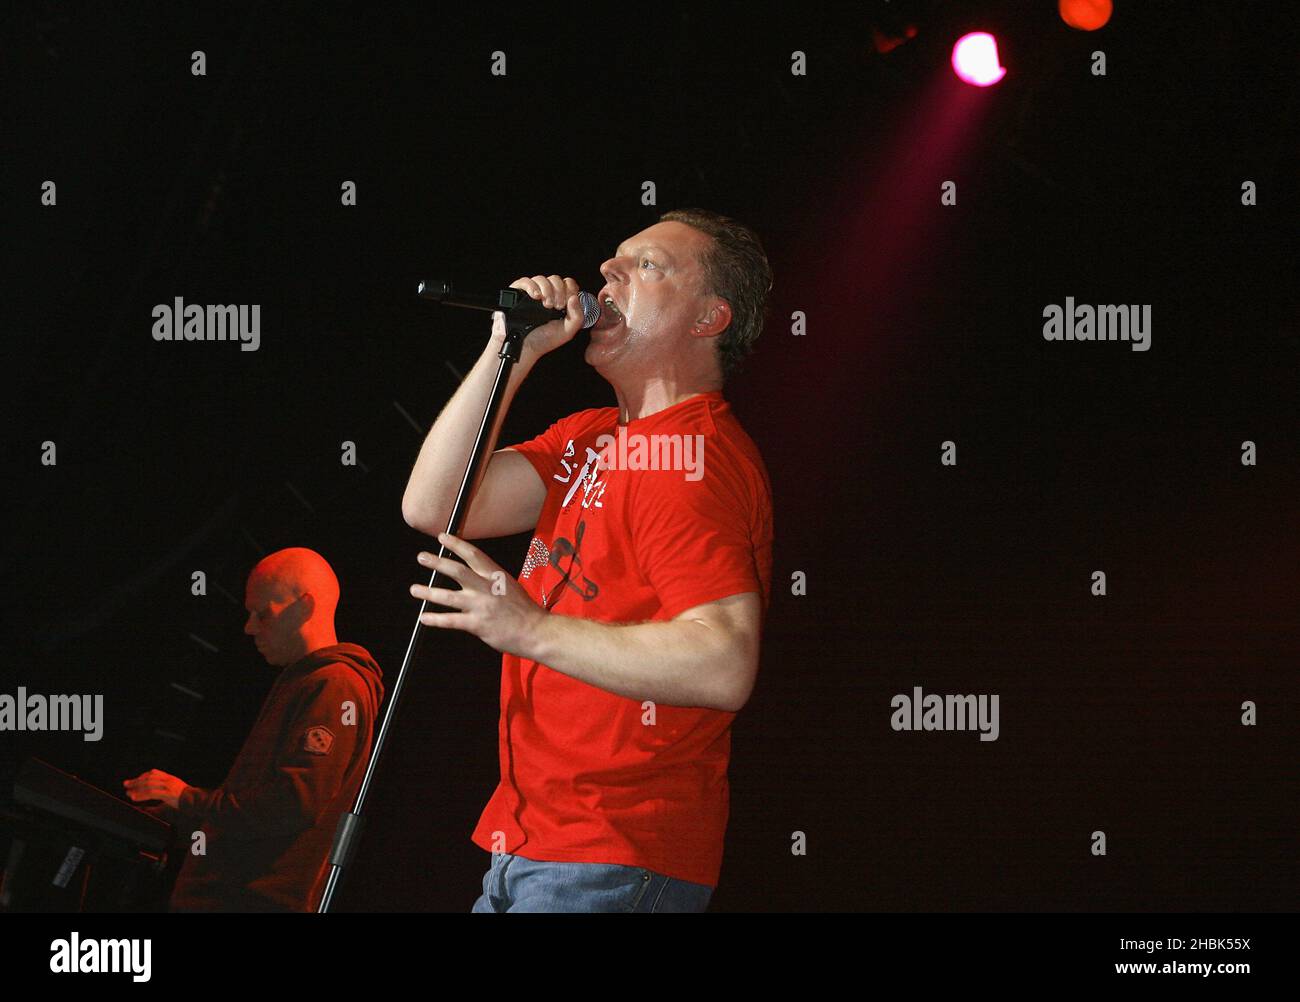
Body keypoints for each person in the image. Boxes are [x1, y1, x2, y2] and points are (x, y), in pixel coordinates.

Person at [402, 208, 774, 912]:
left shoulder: (692, 457)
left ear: (708, 319)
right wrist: (509, 351)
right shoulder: (594, 436)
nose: (608, 272)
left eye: (649, 266)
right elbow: (437, 503)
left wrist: (528, 628)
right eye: (613, 260)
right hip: (535, 848)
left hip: (613, 855)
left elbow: (724, 663)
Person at [123, 548, 384, 912]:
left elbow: (292, 803)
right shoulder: (306, 680)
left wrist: (187, 798)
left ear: (304, 606)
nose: (249, 627)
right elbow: (260, 803)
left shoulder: (335, 684)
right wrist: (158, 820)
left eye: (262, 614)